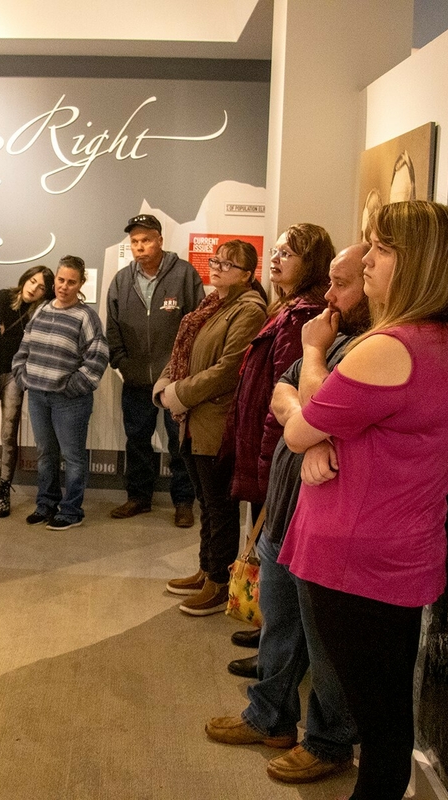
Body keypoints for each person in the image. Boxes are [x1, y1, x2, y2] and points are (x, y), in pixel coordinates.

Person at [281, 201, 448, 800]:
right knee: (388, 719)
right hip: (397, 553)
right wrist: (314, 431)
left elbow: (299, 426)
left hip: (355, 560)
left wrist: (305, 368)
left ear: (416, 263)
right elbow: (334, 431)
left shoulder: (391, 346)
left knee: (381, 724)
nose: (366, 260)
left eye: (381, 249)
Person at [205, 243, 369, 783]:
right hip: (286, 505)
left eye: (343, 283)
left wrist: (310, 416)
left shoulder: (367, 347)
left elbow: (312, 403)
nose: (330, 295)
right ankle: (269, 715)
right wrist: (310, 429)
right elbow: (283, 389)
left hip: (321, 519)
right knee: (280, 624)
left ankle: (328, 742)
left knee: (325, 644)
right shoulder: (327, 337)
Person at [223, 222, 333, 678]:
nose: (275, 259)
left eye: (287, 253)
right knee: (269, 556)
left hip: (279, 455)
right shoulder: (282, 309)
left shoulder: (302, 316)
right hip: (265, 449)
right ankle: (269, 631)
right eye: (276, 250)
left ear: (311, 264)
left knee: (278, 559)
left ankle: (279, 651)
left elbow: (285, 393)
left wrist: (268, 465)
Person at [153, 241, 266, 615]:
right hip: (192, 420)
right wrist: (164, 388)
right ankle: (206, 569)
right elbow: (182, 355)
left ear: (247, 275)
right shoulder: (210, 305)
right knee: (206, 504)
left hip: (214, 422)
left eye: (229, 264)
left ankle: (220, 582)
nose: (217, 267)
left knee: (219, 508)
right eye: (216, 260)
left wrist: (178, 394)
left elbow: (228, 370)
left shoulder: (248, 310)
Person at [106, 213, 202, 527]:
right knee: (136, 441)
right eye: (135, 242)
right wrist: (121, 362)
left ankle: (184, 502)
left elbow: (199, 324)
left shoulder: (184, 274)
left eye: (146, 240)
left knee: (179, 442)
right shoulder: (122, 280)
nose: (140, 247)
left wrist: (184, 368)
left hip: (175, 381)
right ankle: (138, 498)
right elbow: (113, 327)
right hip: (135, 380)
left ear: (160, 240)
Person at [12, 255, 109, 531]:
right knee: (45, 454)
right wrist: (23, 375)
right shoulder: (41, 310)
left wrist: (73, 386)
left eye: (71, 282)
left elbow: (99, 356)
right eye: (61, 280)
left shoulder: (85, 316)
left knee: (73, 456)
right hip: (38, 396)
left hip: (70, 401)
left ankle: (71, 511)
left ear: (81, 284)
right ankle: (46, 504)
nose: (64, 286)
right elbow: (24, 348)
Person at [0, 265, 54, 518]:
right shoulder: (1, 297)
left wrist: (4, 339)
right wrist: (13, 343)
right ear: (24, 279)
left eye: (41, 287)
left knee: (9, 435)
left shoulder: (38, 313)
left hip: (15, 375)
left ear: (45, 293)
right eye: (32, 281)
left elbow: (30, 346)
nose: (33, 288)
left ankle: (4, 490)